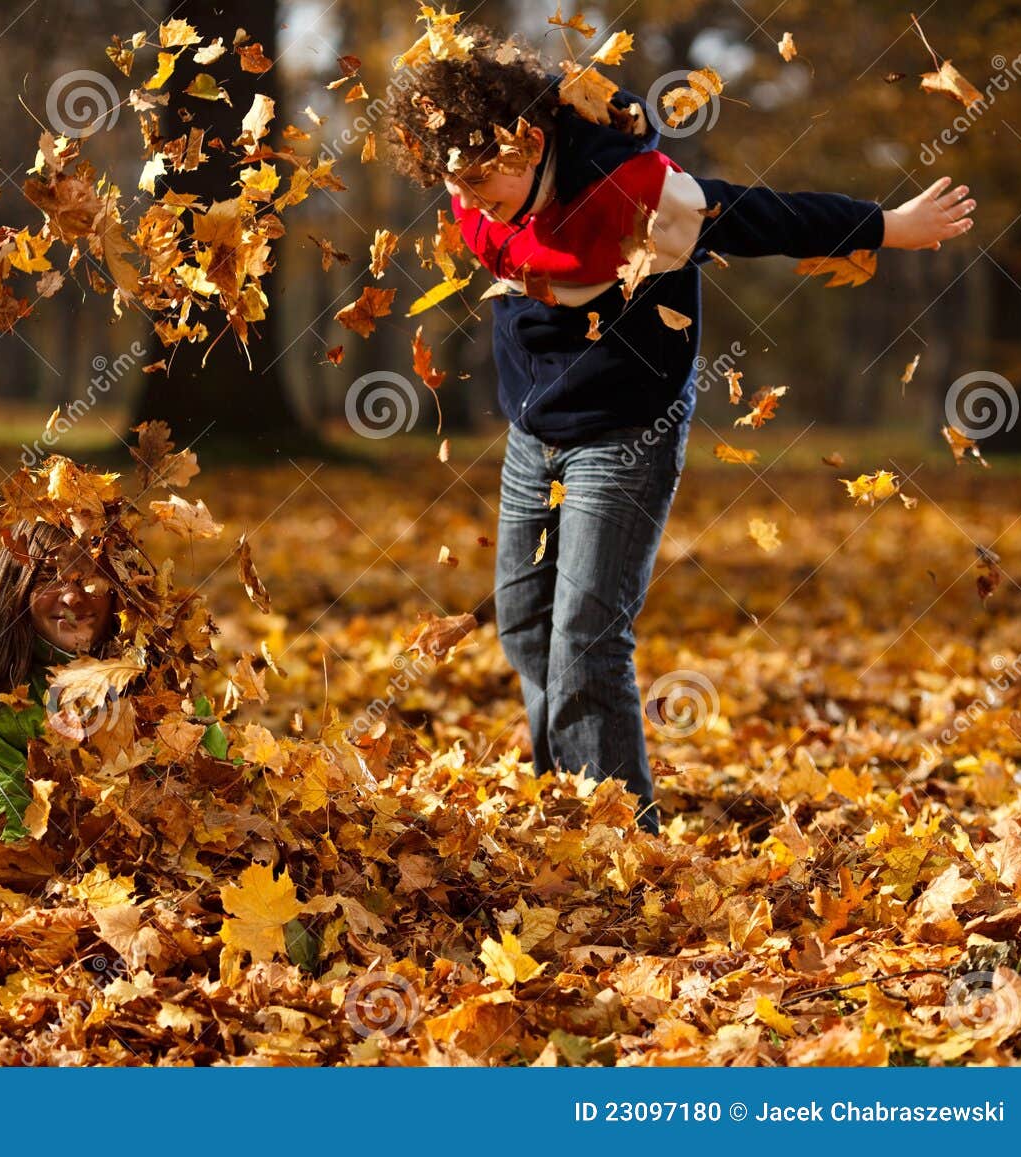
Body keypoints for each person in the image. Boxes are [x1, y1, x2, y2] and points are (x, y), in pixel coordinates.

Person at [385, 27, 975, 833]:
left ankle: (624, 840)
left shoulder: (632, 191)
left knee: (586, 639)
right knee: (525, 624)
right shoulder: (472, 176)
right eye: (462, 183)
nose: (472, 197)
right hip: (535, 428)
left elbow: (755, 216)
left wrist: (885, 226)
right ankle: (564, 807)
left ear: (527, 142)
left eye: (487, 179)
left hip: (627, 424)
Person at [0, 519, 226, 840]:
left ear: (121, 586)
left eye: (89, 576)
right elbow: (8, 819)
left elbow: (217, 781)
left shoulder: (159, 676)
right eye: (48, 577)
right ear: (17, 590)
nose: (72, 598)